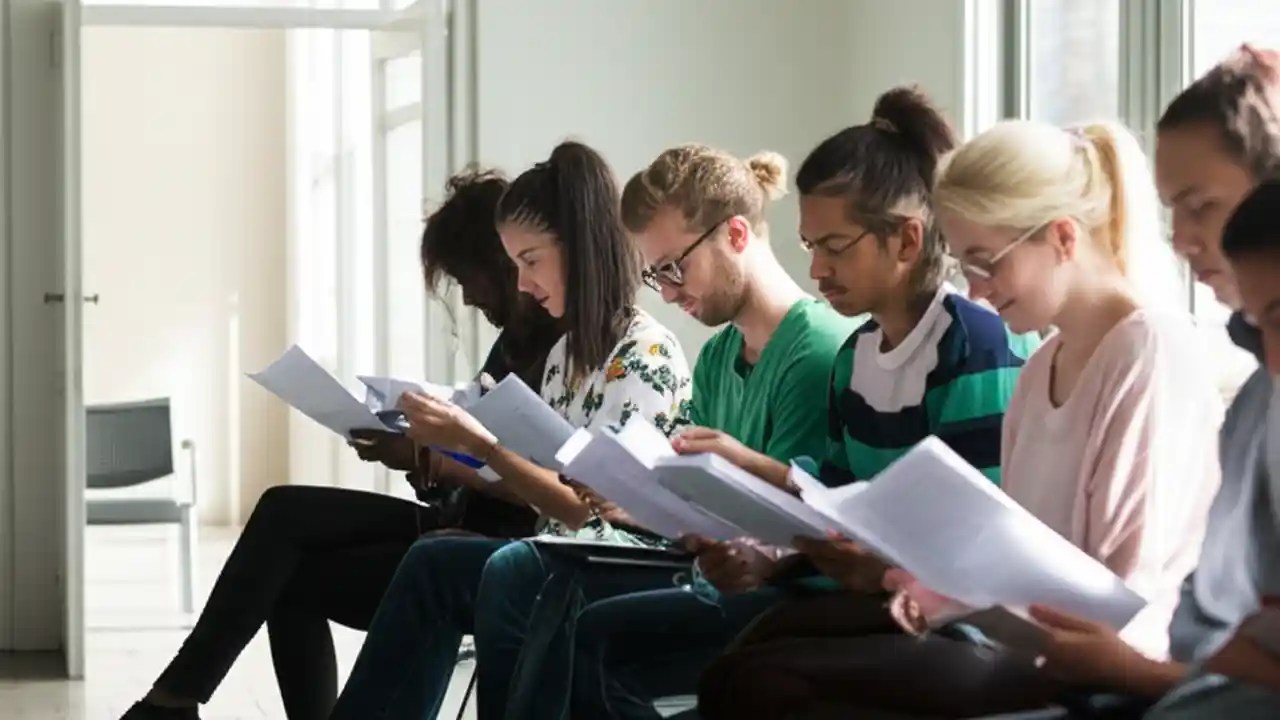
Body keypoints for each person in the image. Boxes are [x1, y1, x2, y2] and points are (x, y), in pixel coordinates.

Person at [697, 115, 1225, 719]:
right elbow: (1005, 550)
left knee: (765, 685)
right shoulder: (1044, 364)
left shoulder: (1145, 349)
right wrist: (921, 590)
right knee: (747, 674)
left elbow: (1119, 597)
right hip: (1036, 650)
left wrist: (927, 587)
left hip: (1106, 671)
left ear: (1061, 238)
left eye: (985, 262)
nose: (975, 291)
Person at [119, 169, 560, 720]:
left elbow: (544, 485)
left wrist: (446, 463)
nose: (467, 296)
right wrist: (419, 457)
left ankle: (171, 701)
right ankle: (175, 699)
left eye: (466, 277)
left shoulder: (559, 349)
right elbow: (481, 452)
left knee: (286, 552)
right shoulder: (513, 344)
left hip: (494, 540)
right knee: (282, 527)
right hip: (465, 518)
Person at [327, 141, 694, 720]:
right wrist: (458, 455)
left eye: (531, 260)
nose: (522, 285)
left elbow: (591, 517)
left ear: (579, 247)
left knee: (505, 567)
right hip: (562, 551)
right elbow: (548, 493)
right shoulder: (564, 356)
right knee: (436, 560)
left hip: (624, 563)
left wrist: (478, 444)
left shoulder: (644, 355)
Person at [552, 144, 856, 719]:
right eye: (654, 274)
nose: (666, 292)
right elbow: (713, 503)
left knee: (591, 637)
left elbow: (801, 521)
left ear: (736, 235)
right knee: (559, 599)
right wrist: (638, 502)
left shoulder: (817, 351)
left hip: (792, 595)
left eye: (674, 268)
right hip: (726, 578)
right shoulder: (718, 356)